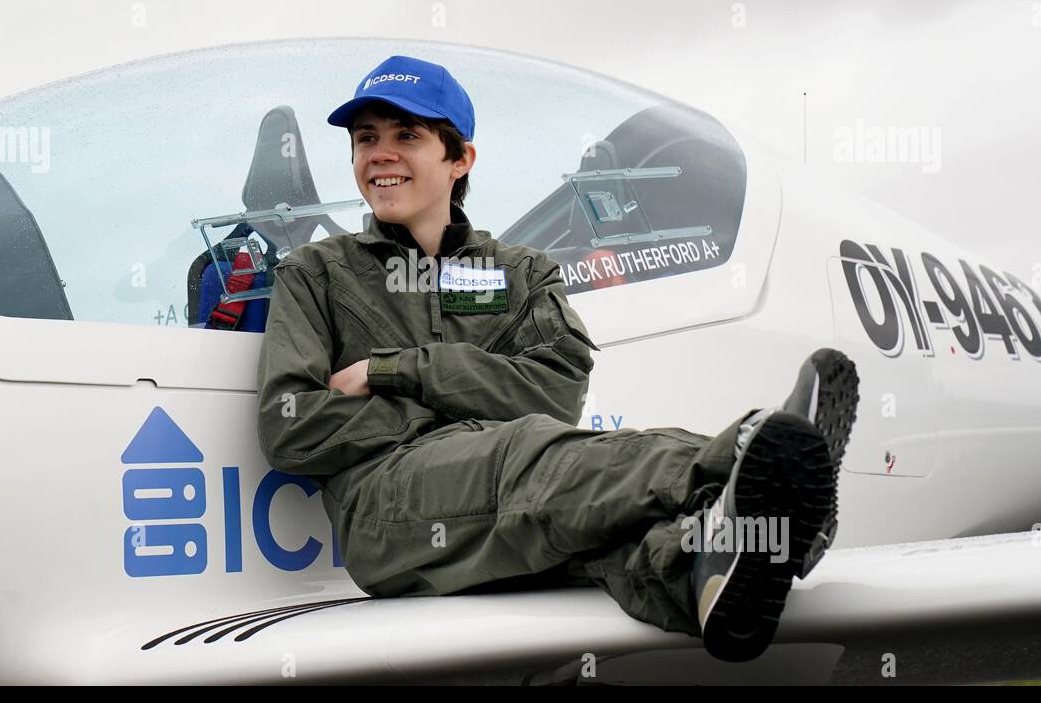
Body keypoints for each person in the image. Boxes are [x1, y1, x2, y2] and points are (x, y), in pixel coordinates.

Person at [255, 54, 858, 662]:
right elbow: (290, 423)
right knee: (525, 453)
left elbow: (555, 393)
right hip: (386, 515)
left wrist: (398, 371)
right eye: (365, 140)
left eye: (406, 136)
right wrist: (447, 423)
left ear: (459, 158)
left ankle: (705, 570)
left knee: (595, 529)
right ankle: (743, 467)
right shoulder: (316, 274)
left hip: (510, 499)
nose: (379, 155)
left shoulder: (520, 272)